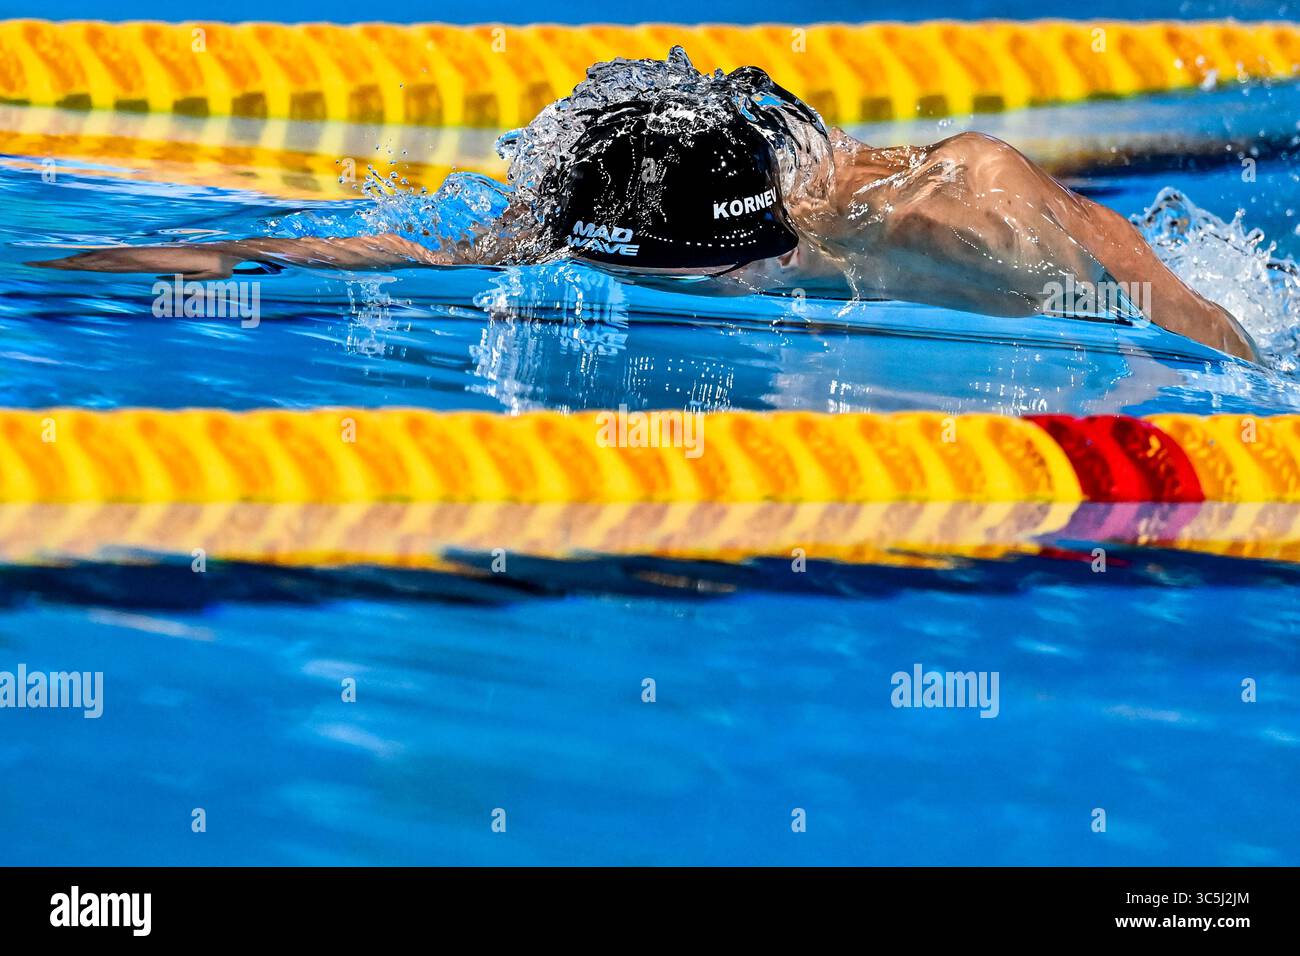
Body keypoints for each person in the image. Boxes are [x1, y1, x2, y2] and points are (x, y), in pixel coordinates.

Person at [31, 57, 1260, 362]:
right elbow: (403, 251)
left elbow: (1176, 308)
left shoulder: (968, 210)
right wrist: (116, 255)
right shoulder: (585, 225)